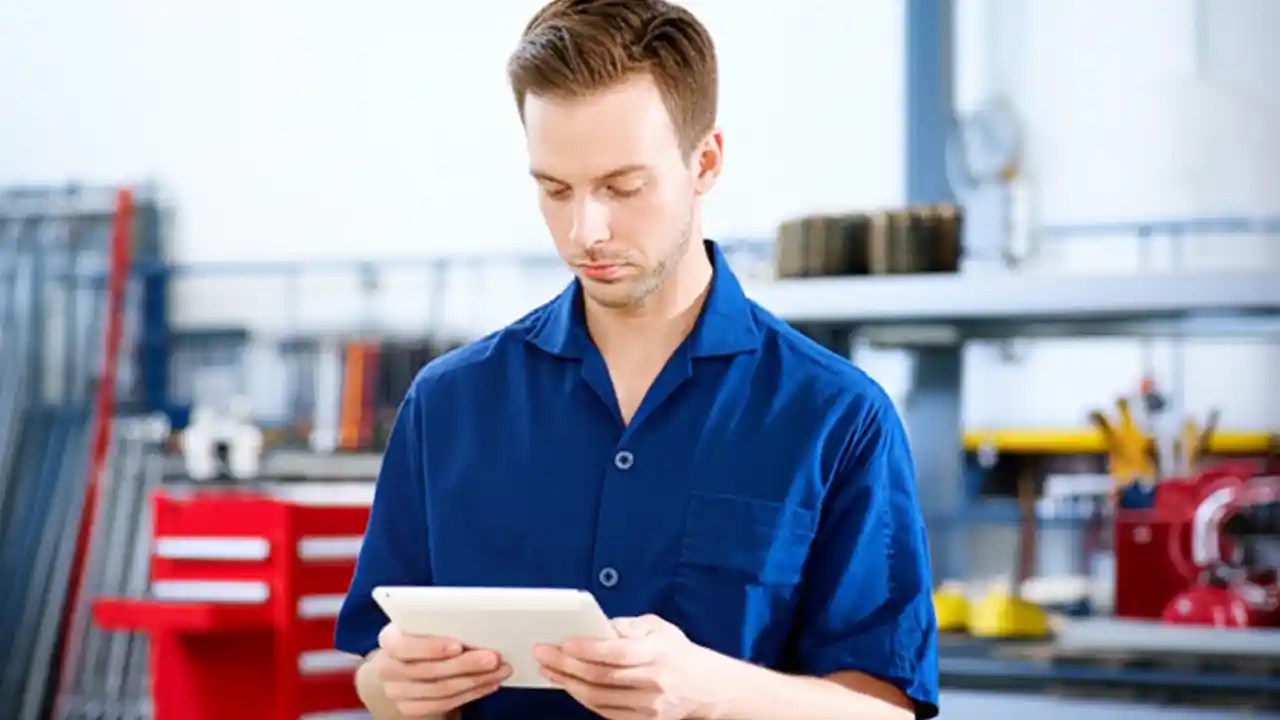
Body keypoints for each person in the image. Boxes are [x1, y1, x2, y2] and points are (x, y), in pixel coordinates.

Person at [334, 1, 939, 718]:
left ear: (705, 161)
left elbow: (886, 710)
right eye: (555, 189)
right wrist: (392, 686)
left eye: (623, 187)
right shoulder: (449, 405)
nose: (586, 229)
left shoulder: (837, 416)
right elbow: (376, 671)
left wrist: (710, 691)